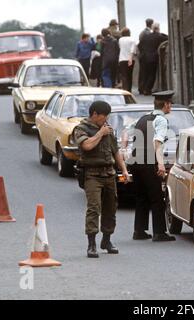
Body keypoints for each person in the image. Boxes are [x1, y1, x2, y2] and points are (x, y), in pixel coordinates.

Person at [73, 101, 130, 258]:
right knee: (94, 208)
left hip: (109, 173)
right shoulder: (81, 128)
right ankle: (91, 245)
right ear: (94, 114)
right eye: (103, 117)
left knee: (111, 208)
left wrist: (124, 170)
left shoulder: (108, 130)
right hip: (92, 174)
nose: (105, 121)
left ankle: (106, 240)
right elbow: (86, 146)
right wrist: (99, 134)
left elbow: (115, 151)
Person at [130, 91, 176, 242]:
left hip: (135, 162)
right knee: (157, 198)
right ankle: (159, 233)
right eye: (170, 103)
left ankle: (139, 231)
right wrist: (161, 164)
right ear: (166, 105)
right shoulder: (161, 120)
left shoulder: (143, 118)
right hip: (149, 163)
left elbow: (128, 135)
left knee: (141, 197)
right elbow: (157, 142)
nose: (171, 106)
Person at [138, 23, 168, 95]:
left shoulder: (146, 36)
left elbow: (139, 45)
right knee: (152, 74)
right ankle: (147, 89)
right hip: (152, 58)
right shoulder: (159, 36)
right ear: (158, 29)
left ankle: (142, 88)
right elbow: (168, 38)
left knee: (145, 74)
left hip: (143, 57)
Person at [118, 27, 137, 93]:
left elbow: (120, 47)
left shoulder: (120, 39)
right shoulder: (132, 39)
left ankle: (125, 89)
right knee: (129, 75)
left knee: (124, 75)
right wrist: (130, 58)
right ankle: (129, 90)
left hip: (122, 59)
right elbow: (133, 50)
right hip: (130, 59)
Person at [138, 18, 154, 94]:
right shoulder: (148, 33)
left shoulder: (142, 32)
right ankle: (144, 88)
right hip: (146, 55)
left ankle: (141, 88)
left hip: (142, 55)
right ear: (151, 24)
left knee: (142, 72)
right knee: (146, 73)